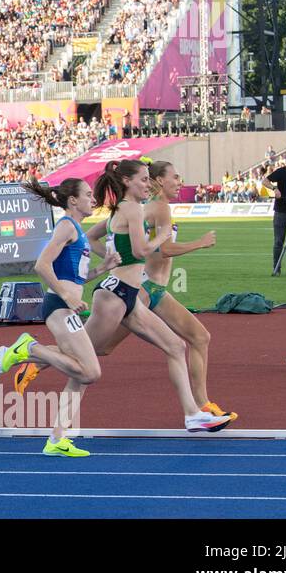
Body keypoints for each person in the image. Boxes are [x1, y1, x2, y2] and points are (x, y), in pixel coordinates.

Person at [81, 160, 231, 433]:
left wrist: (113, 258)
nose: (179, 181)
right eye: (175, 177)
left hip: (140, 288)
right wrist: (199, 242)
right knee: (92, 348)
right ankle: (31, 354)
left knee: (103, 347)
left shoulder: (138, 208)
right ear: (159, 181)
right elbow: (156, 252)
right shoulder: (153, 208)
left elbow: (96, 237)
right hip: (144, 288)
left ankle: (197, 410)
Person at [0, 178, 120, 456]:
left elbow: (77, 277)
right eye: (87, 195)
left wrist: (103, 268)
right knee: (91, 372)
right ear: (72, 201)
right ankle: (28, 348)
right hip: (58, 305)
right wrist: (67, 296)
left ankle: (57, 439)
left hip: (66, 305)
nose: (93, 199)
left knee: (80, 374)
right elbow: (41, 265)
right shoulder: (67, 226)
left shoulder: (77, 230)